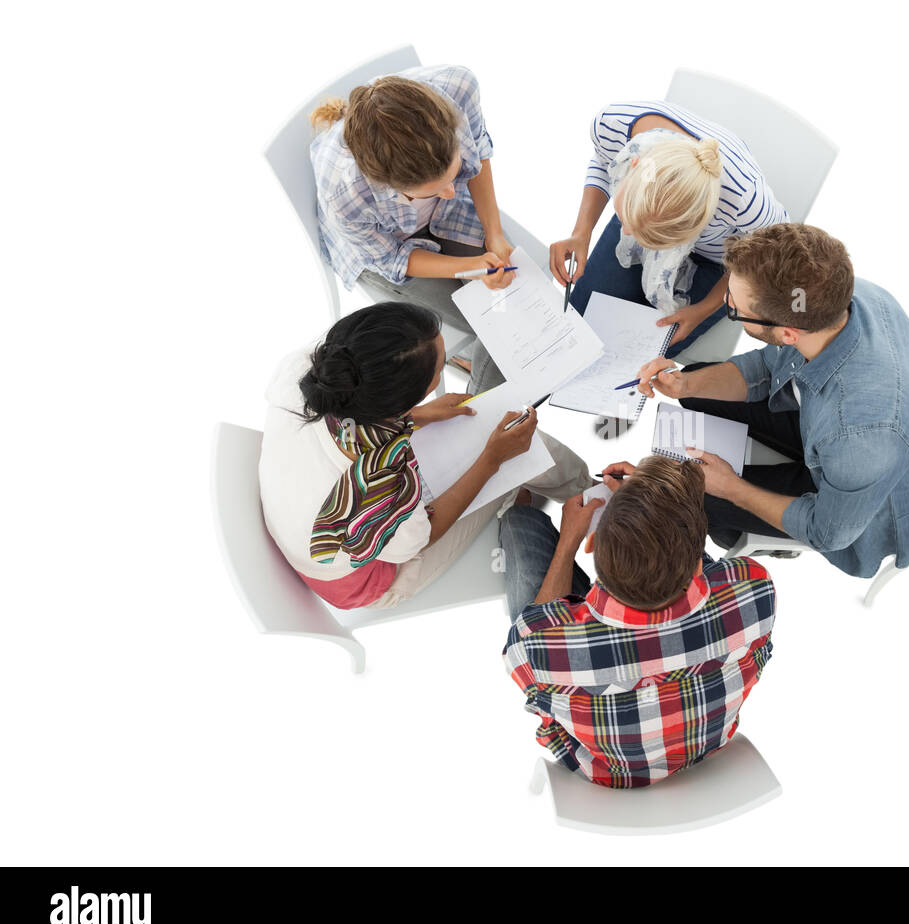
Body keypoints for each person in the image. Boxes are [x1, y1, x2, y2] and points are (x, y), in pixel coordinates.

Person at [636, 223, 909, 579]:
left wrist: (733, 488)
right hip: (837, 429)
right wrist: (683, 385)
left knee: (698, 497)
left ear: (788, 332)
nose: (726, 304)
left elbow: (828, 532)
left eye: (734, 309)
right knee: (700, 389)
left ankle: (744, 526)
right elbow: (770, 365)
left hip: (856, 505)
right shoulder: (836, 298)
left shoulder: (861, 439)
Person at [259, 301, 591, 611]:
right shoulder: (379, 485)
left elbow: (344, 427)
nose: (442, 374)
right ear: (395, 404)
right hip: (370, 578)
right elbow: (421, 536)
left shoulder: (306, 369)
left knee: (501, 441)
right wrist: (492, 459)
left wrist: (415, 415)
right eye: (437, 376)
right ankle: (592, 500)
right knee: (522, 449)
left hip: (302, 519)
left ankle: (575, 496)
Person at [499, 455, 776, 788]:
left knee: (519, 523)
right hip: (708, 742)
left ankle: (529, 513)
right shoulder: (755, 589)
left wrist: (567, 542)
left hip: (610, 772)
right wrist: (658, 509)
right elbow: (703, 566)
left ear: (591, 544)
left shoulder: (535, 650)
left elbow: (530, 629)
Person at [549, 100, 789, 434]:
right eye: (629, 220)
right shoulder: (612, 123)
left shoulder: (748, 205)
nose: (627, 233)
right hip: (655, 210)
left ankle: (611, 405)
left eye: (649, 236)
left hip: (721, 260)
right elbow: (604, 162)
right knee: (577, 321)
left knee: (649, 353)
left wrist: (704, 310)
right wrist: (581, 233)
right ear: (632, 167)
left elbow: (756, 261)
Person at [309, 64, 513, 391]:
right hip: (385, 253)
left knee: (516, 305)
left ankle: (477, 366)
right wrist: (470, 266)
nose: (450, 191)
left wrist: (495, 233)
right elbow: (393, 259)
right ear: (387, 185)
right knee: (493, 324)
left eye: (453, 172)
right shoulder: (344, 195)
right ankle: (480, 429)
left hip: (447, 220)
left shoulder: (459, 87)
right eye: (434, 189)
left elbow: (481, 154)